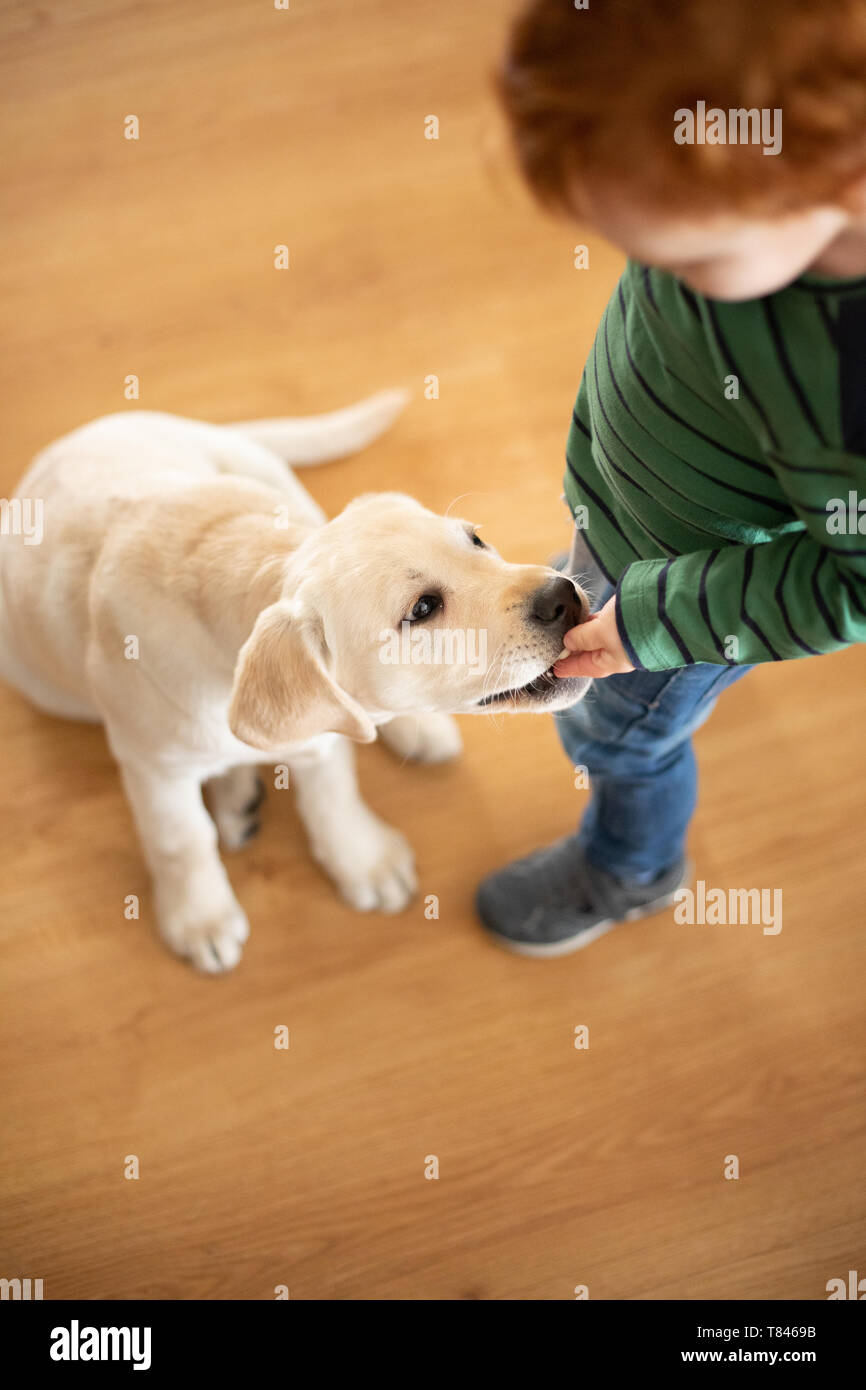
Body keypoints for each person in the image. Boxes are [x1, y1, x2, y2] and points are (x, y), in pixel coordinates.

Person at [476, 0, 866, 955]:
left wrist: (657, 624)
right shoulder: (759, 201)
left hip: (686, 599)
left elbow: (851, 583)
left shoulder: (848, 380)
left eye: (682, 260)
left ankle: (631, 869)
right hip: (637, 508)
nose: (651, 273)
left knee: (615, 737)